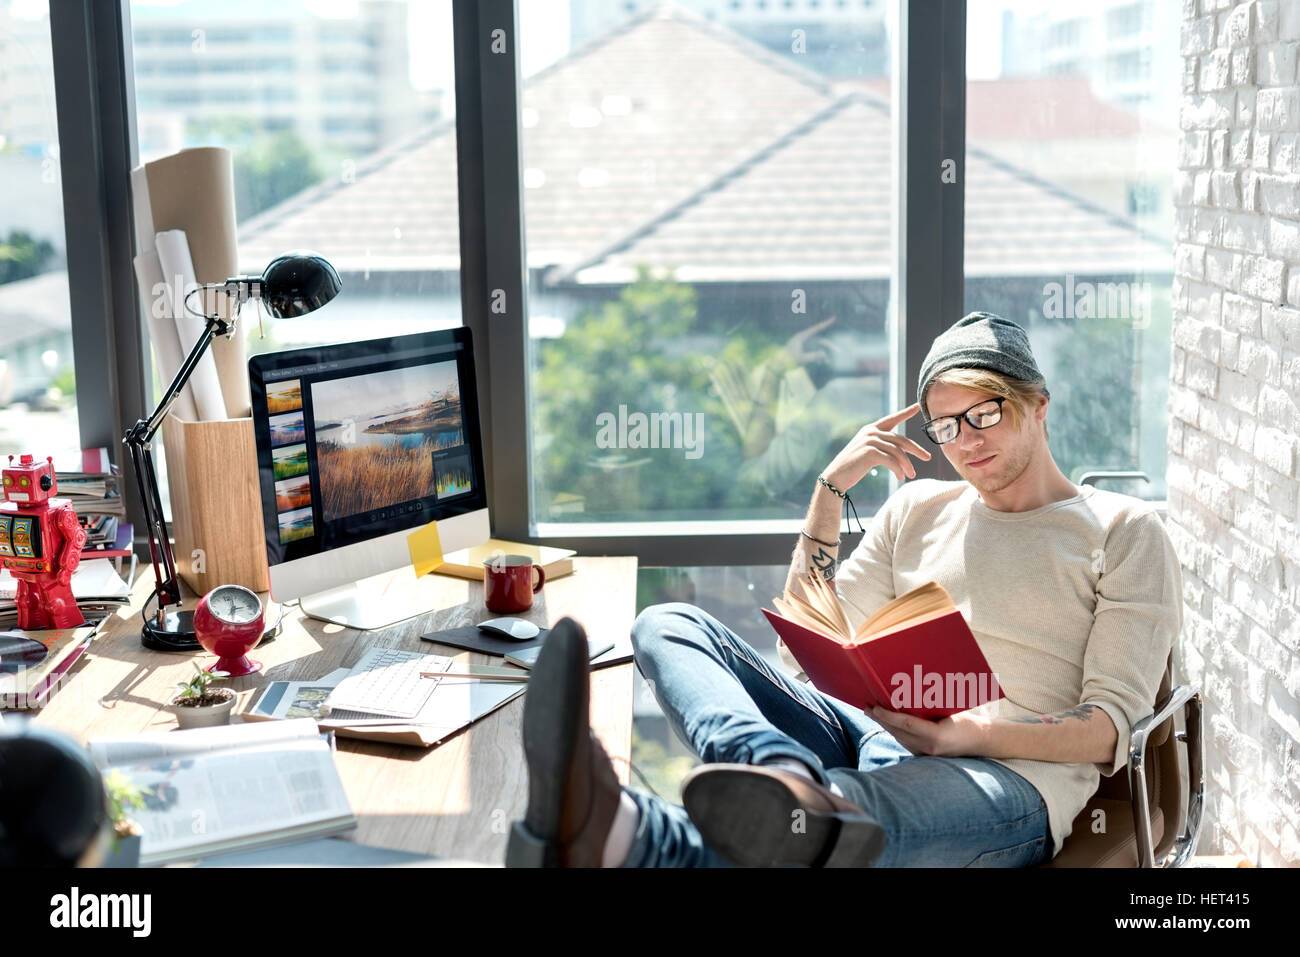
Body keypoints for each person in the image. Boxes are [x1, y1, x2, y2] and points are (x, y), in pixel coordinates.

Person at [506, 312, 1182, 868]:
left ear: (1038, 404)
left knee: (837, 815)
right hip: (876, 729)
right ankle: (774, 764)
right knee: (667, 624)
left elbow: (1107, 732)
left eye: (984, 413)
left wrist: (967, 735)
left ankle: (633, 831)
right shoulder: (916, 509)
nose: (964, 442)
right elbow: (800, 644)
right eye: (945, 426)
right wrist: (828, 496)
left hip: (1007, 782)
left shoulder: (1122, 529)